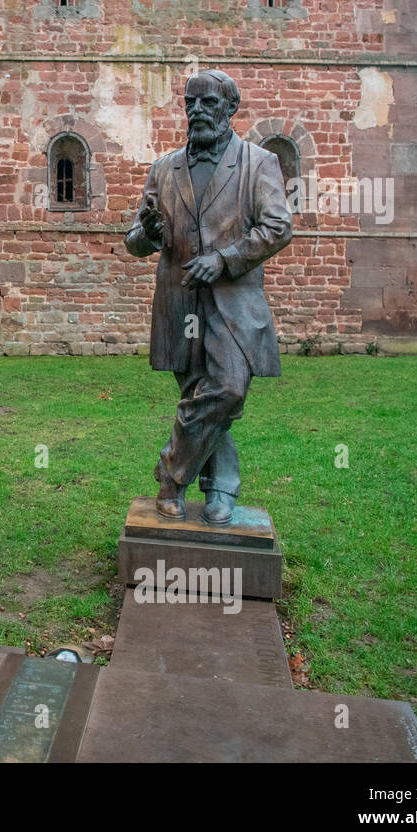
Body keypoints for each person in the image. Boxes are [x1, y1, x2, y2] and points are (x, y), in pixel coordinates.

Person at [125, 69, 293, 525]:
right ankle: (220, 488)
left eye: (208, 103)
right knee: (200, 394)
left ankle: (171, 474)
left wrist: (223, 259)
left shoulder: (258, 164)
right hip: (179, 304)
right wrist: (150, 233)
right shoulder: (165, 168)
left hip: (234, 303)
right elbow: (135, 239)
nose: (197, 111)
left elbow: (278, 227)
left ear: (230, 108)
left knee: (228, 390)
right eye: (190, 103)